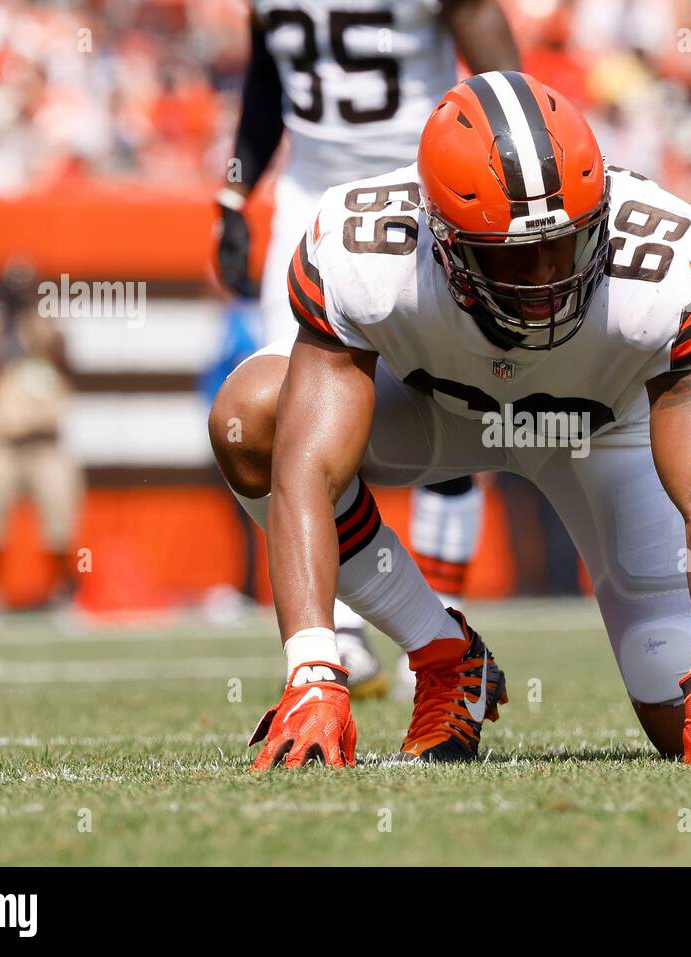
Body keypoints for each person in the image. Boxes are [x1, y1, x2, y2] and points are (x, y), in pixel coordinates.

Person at [210, 72, 691, 766]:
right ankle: (442, 649)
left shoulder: (672, 266)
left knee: (690, 718)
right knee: (252, 415)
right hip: (441, 409)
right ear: (441, 238)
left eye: (562, 244)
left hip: (605, 425)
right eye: (511, 256)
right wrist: (313, 668)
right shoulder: (366, 251)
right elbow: (305, 461)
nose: (544, 278)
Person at [213, 0, 522, 697]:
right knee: (287, 417)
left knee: (447, 398)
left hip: (427, 193)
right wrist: (236, 192)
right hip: (309, 200)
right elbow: (270, 79)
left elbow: (507, 90)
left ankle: (444, 616)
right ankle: (342, 624)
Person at [0, 266, 83, 613]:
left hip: (45, 440)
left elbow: (69, 368)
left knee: (60, 516)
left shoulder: (48, 327)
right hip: (1, 439)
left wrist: (44, 339)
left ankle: (62, 591)